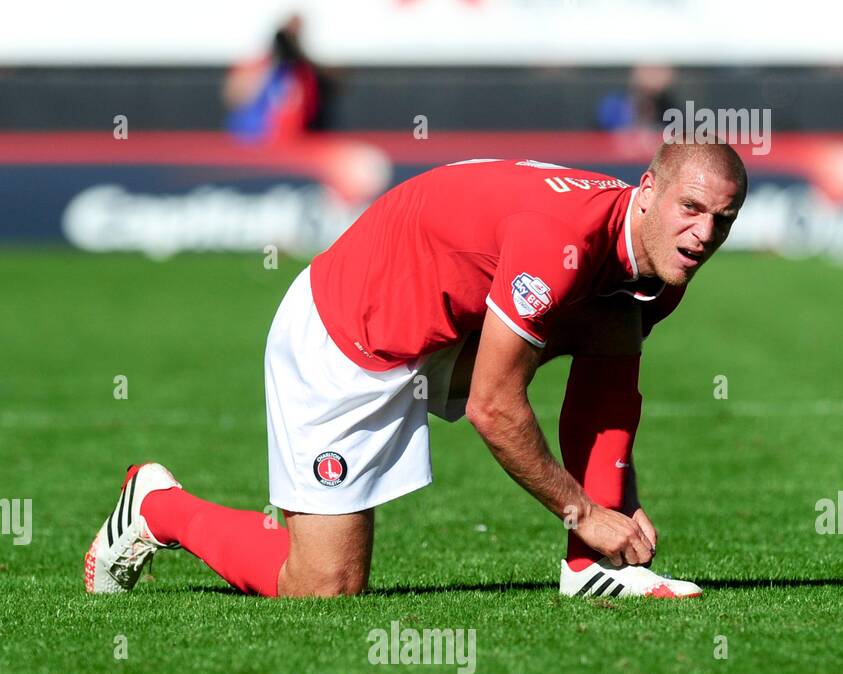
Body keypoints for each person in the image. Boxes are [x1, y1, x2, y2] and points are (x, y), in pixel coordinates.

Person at [84, 140, 746, 601]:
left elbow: (607, 373)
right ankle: (157, 506)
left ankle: (592, 568)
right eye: (690, 209)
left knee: (615, 317)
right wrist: (582, 510)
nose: (702, 235)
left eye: (721, 219)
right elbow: (495, 406)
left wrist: (615, 512)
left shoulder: (662, 265)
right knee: (321, 588)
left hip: (449, 325)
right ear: (647, 189)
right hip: (348, 334)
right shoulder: (561, 240)